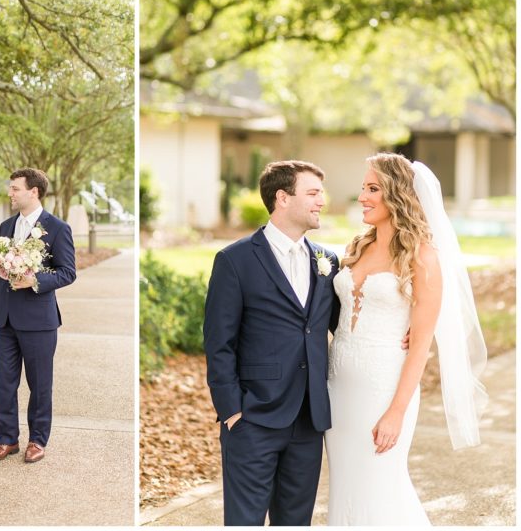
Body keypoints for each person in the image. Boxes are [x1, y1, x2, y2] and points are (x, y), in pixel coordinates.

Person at [325, 152, 487, 525]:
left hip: (384, 389)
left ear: (396, 194)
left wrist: (395, 412)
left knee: (381, 484)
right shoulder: (358, 247)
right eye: (363, 187)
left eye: (372, 189)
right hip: (338, 387)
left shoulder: (423, 257)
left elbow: (420, 346)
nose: (362, 197)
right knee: (347, 486)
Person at [204, 160, 340, 526]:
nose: (321, 201)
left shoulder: (327, 260)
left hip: (309, 419)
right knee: (245, 521)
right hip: (253, 418)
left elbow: (343, 328)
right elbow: (219, 342)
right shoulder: (234, 260)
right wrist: (232, 410)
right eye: (312, 193)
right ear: (282, 198)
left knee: (295, 521)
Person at [0, 168, 76, 464]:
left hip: (38, 321)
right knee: (5, 383)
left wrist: (35, 281)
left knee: (39, 383)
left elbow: (68, 272)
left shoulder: (57, 228)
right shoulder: (6, 226)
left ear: (33, 192)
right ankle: (6, 439)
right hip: (5, 320)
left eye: (14, 189)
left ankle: (37, 440)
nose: (10, 193)